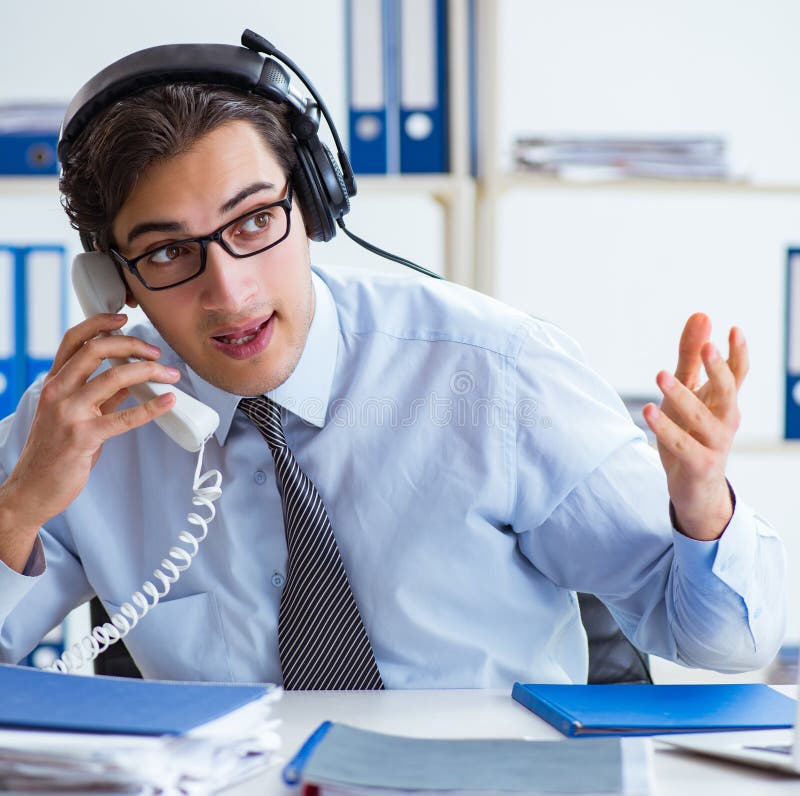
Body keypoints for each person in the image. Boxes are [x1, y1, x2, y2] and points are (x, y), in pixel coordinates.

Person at [0, 36, 786, 688]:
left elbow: (725, 646)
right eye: (170, 251)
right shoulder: (75, 424)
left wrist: (702, 506)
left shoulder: (499, 374)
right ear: (109, 280)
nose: (228, 291)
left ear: (312, 204)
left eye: (254, 222)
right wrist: (20, 505)